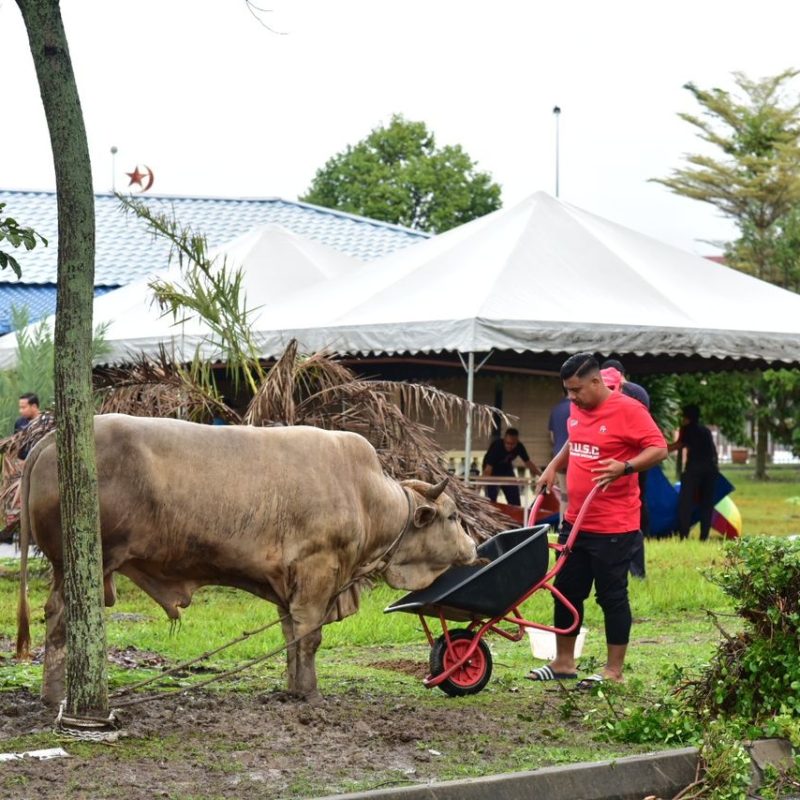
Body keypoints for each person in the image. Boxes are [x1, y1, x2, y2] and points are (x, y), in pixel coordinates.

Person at [529, 354, 667, 687]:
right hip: (575, 520)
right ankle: (564, 662)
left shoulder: (629, 410)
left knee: (612, 596)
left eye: (576, 390)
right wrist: (552, 468)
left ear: (596, 382)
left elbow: (659, 448)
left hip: (614, 525)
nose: (571, 398)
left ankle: (613, 672)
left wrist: (626, 467)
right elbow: (574, 443)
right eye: (567, 391)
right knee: (565, 591)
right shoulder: (579, 407)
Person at [600, 360, 651, 578]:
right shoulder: (637, 391)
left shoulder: (632, 395)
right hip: (629, 460)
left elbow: (641, 427)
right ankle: (624, 568)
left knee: (630, 511)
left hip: (631, 461)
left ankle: (635, 569)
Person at [669, 404, 719, 541]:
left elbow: (679, 444)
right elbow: (714, 452)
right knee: (706, 504)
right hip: (710, 470)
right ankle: (704, 536)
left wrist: (662, 450)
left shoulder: (686, 429)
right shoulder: (706, 431)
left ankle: (683, 535)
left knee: (685, 503)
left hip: (694, 470)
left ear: (686, 417)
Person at [481, 427, 540, 506]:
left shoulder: (519, 446)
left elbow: (528, 463)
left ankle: (516, 513)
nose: (509, 446)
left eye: (512, 444)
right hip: (492, 472)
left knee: (514, 497)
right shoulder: (497, 446)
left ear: (517, 442)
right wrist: (480, 485)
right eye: (507, 443)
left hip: (506, 469)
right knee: (491, 499)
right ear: (504, 439)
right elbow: (488, 469)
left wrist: (541, 475)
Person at [547, 393, 571, 521]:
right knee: (579, 495)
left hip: (559, 458)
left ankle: (563, 526)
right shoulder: (579, 407)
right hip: (576, 456)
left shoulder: (556, 409)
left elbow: (552, 437)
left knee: (564, 495)